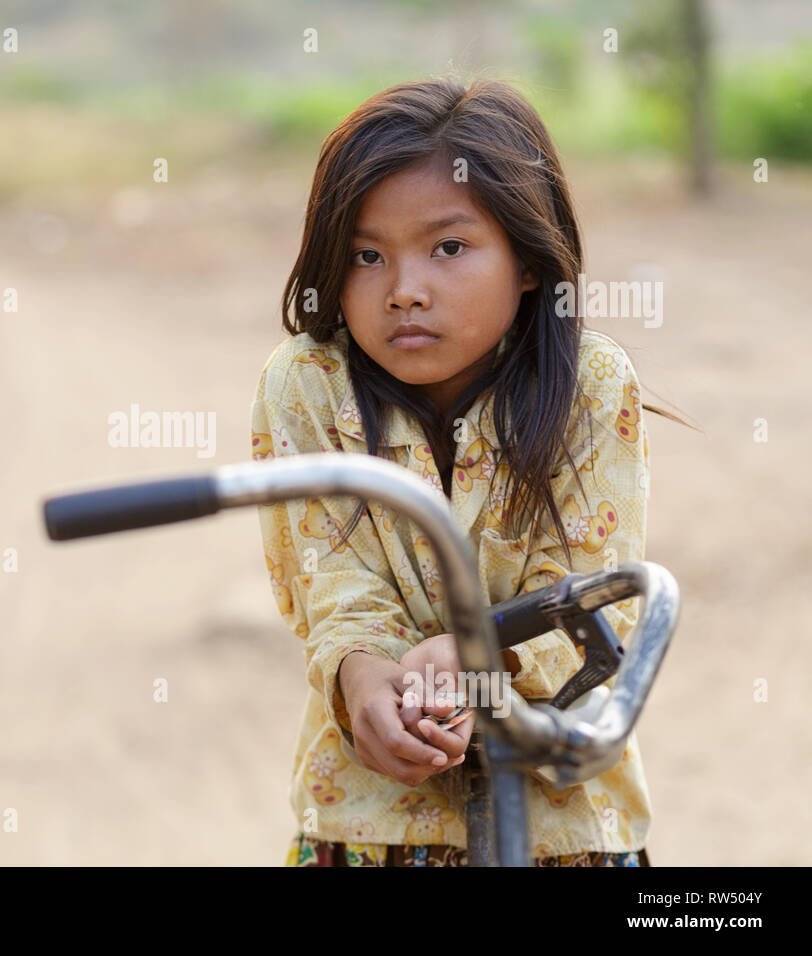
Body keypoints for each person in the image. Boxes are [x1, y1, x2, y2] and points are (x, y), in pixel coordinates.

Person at [251, 75, 687, 867]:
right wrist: (363, 677)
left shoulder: (590, 384)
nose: (405, 291)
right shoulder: (308, 385)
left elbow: (594, 594)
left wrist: (479, 659)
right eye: (366, 256)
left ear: (526, 260)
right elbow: (330, 581)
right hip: (369, 826)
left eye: (448, 248)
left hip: (558, 825)